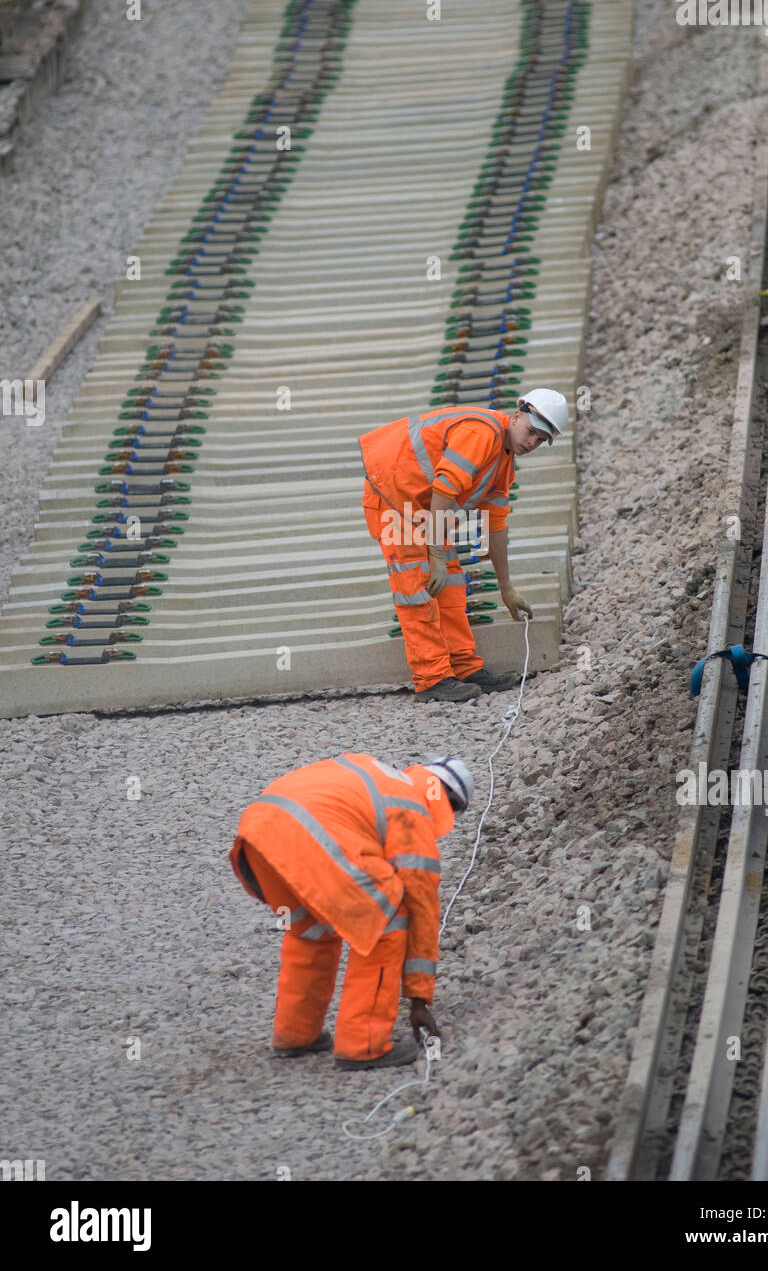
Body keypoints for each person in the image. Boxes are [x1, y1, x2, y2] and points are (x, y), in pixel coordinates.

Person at [228, 753, 474, 1070]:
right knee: (387, 918)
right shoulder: (411, 809)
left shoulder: (377, 776)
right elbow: (422, 908)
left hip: (257, 839)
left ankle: (296, 1034)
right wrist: (418, 998)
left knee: (311, 930)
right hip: (307, 838)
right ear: (447, 804)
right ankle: (364, 1044)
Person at [358, 389, 569, 701]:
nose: (532, 443)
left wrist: (506, 586)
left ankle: (464, 666)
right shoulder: (481, 434)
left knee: (452, 583)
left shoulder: (504, 461)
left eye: (540, 440)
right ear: (516, 416)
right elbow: (444, 489)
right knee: (417, 587)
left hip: (425, 511)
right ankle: (431, 679)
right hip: (394, 496)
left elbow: (494, 526)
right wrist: (435, 553)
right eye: (531, 433)